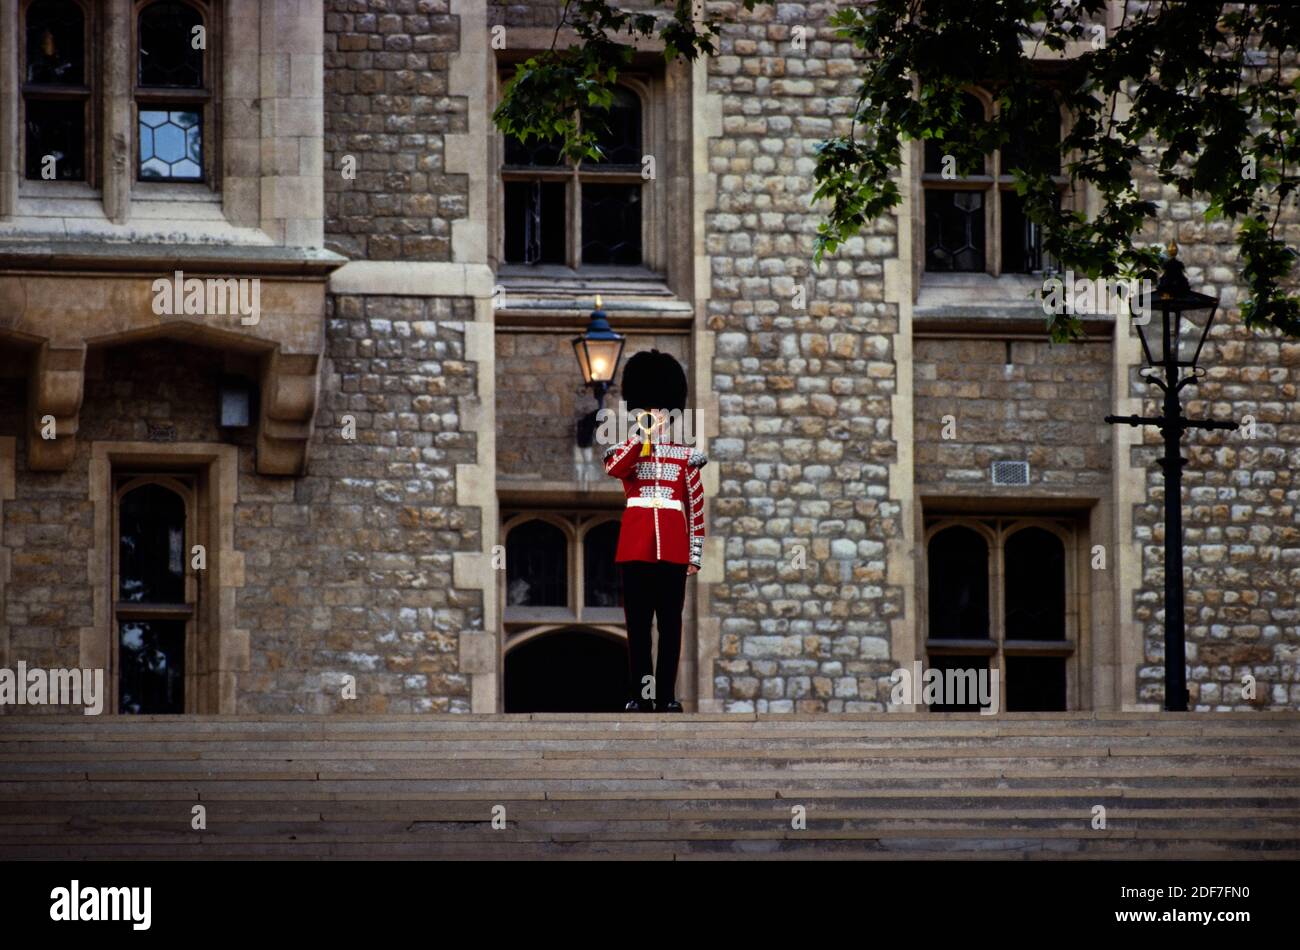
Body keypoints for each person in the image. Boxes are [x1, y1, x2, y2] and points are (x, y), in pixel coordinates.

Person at [603, 350, 706, 713]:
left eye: (660, 412)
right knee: (638, 628)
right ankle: (641, 695)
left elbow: (695, 506)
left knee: (671, 629)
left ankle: (665, 696)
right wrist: (642, 438)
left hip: (673, 552)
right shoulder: (628, 451)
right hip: (635, 549)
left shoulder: (685, 456)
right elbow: (616, 468)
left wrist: (694, 554)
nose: (657, 417)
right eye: (651, 411)